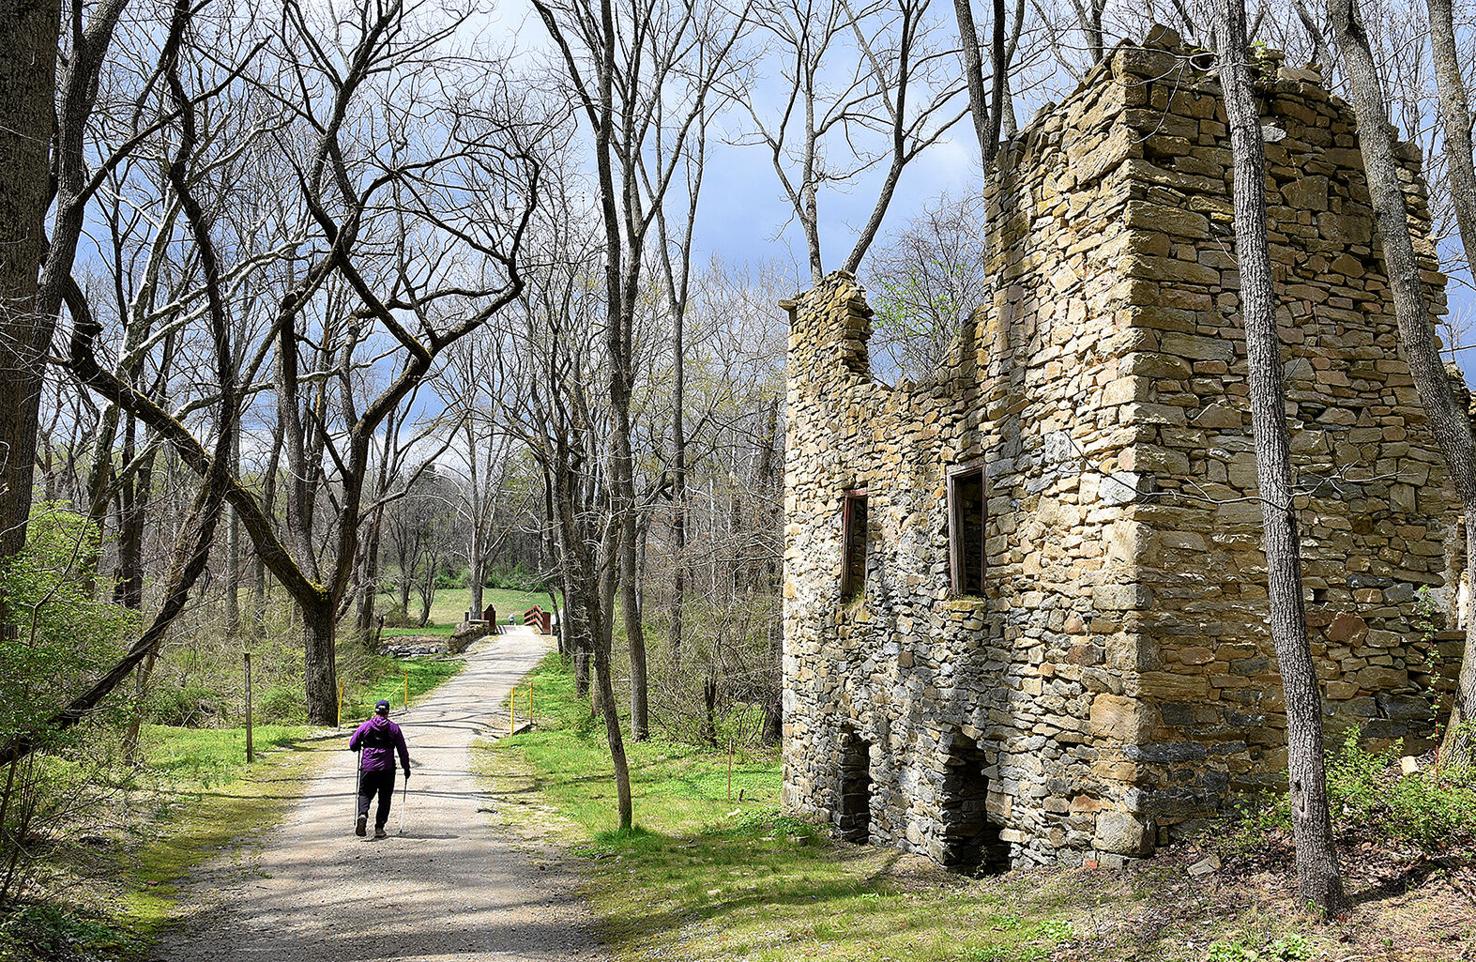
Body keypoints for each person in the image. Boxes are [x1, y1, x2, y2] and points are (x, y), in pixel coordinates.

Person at [348, 699, 410, 839]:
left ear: (375, 711)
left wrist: (359, 745)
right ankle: (379, 828)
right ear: (387, 712)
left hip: (368, 767)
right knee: (385, 798)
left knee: (364, 794)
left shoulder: (365, 726)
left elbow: (352, 745)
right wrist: (406, 768)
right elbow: (402, 750)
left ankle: (362, 814)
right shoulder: (394, 728)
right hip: (387, 769)